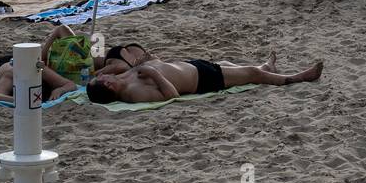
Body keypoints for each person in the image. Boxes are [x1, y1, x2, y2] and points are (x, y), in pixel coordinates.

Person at [86, 53, 324, 103]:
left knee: (230, 63)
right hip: (202, 80)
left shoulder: (122, 78)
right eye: (104, 82)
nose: (107, 78)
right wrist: (153, 72)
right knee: (252, 75)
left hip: (192, 66)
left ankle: (265, 65)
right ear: (109, 88)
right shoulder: (132, 93)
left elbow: (110, 68)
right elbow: (171, 95)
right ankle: (296, 78)